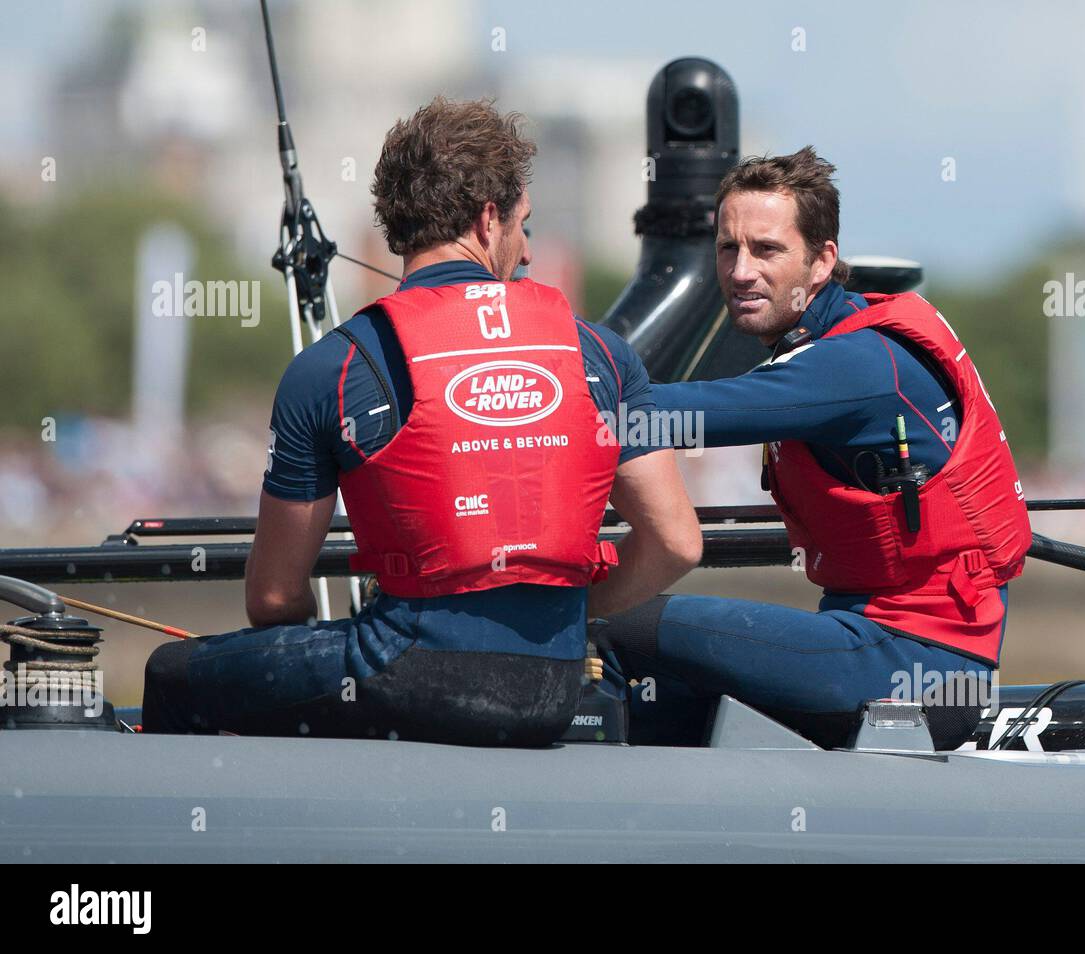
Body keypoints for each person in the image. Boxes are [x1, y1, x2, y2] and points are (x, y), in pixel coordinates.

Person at [143, 98, 701, 746]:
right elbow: (677, 543)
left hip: (405, 680)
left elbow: (272, 600)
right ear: (488, 219)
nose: (525, 253)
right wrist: (575, 614)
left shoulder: (333, 368)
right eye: (525, 226)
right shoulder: (605, 356)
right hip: (552, 689)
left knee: (172, 675)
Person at [596, 147, 1032, 749]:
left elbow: (672, 418)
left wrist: (544, 393)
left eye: (767, 250)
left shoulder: (852, 365)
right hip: (882, 646)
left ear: (822, 260)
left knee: (615, 621)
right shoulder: (839, 335)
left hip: (913, 668)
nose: (741, 270)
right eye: (728, 248)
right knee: (656, 693)